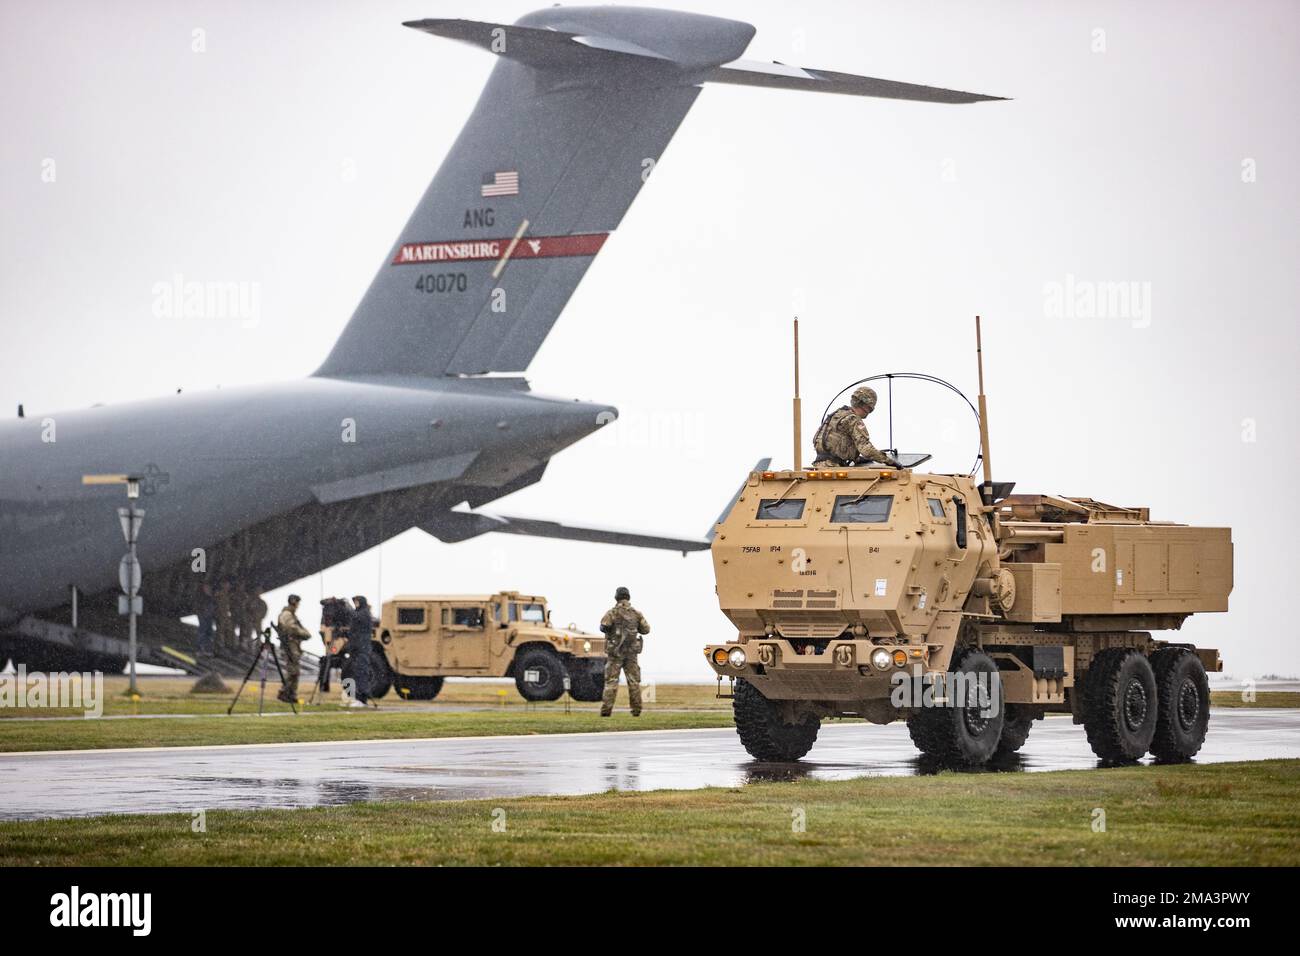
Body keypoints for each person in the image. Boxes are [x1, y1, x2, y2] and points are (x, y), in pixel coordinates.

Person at [811, 385, 901, 468]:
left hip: (819, 466)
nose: (869, 411)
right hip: (834, 467)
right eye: (870, 408)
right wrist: (889, 461)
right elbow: (866, 449)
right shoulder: (853, 419)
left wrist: (857, 458)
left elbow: (835, 445)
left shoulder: (836, 415)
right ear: (866, 405)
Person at [599, 586, 650, 717]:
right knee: (634, 682)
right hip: (631, 654)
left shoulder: (612, 613)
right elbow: (646, 629)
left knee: (611, 681)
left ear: (616, 597)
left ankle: (606, 711)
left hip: (615, 653)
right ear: (628, 597)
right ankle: (636, 711)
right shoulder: (636, 614)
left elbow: (603, 627)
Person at [275, 594, 312, 704]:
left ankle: (290, 694)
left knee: (294, 671)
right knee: (292, 671)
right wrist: (304, 634)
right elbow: (292, 628)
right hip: (290, 646)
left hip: (293, 646)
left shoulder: (289, 614)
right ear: (294, 602)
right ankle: (285, 693)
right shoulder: (287, 614)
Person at [346, 595, 377, 708]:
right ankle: (359, 698)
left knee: (361, 673)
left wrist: (348, 608)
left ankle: (362, 699)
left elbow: (355, 616)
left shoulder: (364, 613)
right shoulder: (360, 612)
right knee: (357, 672)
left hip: (361, 648)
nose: (355, 604)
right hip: (358, 648)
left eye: (357, 602)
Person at [195, 581, 216, 659]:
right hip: (204, 616)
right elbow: (199, 607)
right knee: (202, 632)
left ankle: (207, 649)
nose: (208, 589)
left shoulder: (210, 597)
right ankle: (200, 649)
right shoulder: (202, 597)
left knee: (209, 633)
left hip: (209, 616)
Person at [214, 579, 236, 652]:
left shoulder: (228, 595)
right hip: (220, 615)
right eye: (226, 584)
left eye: (228, 585)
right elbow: (216, 604)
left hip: (226, 615)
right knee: (220, 631)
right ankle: (220, 646)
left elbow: (230, 605)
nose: (227, 586)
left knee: (229, 630)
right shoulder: (219, 594)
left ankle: (227, 645)